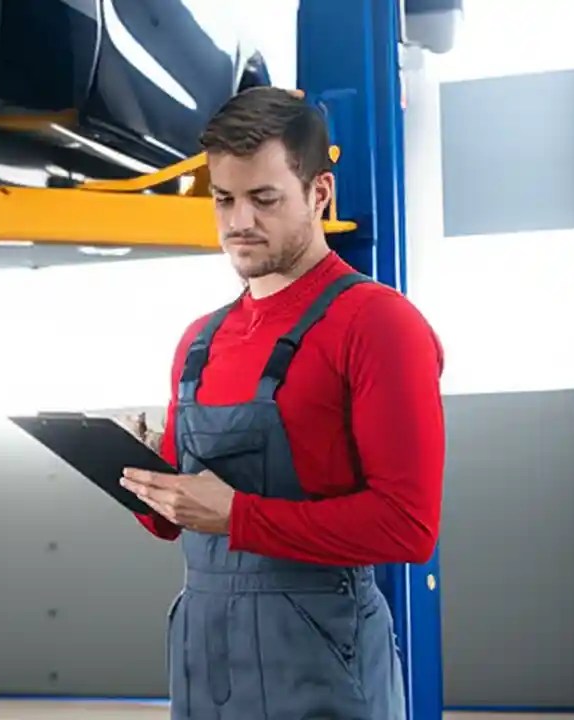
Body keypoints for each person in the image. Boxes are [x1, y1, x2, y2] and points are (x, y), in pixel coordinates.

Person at [118, 87, 446, 720]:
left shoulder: (378, 324)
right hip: (204, 654)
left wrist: (239, 515)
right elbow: (171, 524)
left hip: (319, 653)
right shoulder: (198, 341)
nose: (239, 221)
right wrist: (140, 478)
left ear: (318, 193)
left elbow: (409, 526)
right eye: (224, 199)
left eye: (264, 199)